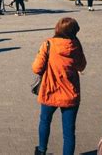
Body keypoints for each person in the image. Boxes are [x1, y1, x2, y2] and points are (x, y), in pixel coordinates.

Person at [32, 17, 87, 155]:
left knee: (45, 121)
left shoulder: (48, 44)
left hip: (50, 90)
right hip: (70, 93)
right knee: (69, 132)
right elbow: (82, 65)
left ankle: (42, 150)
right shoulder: (75, 45)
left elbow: (36, 68)